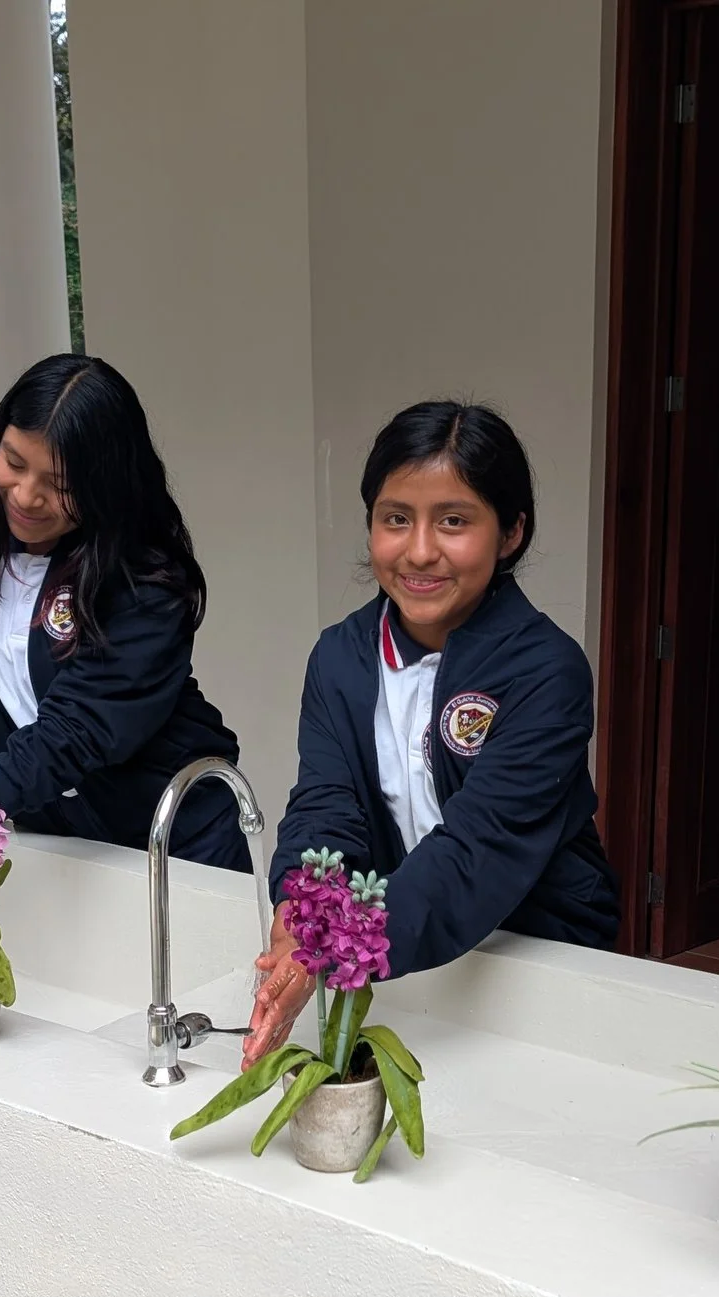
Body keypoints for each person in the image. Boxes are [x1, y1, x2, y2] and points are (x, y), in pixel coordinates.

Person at [241, 401, 620, 1064]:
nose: (419, 551)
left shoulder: (546, 671)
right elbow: (327, 805)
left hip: (537, 955)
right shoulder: (340, 656)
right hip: (407, 944)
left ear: (510, 533)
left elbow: (480, 850)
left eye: (453, 521)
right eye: (395, 519)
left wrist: (339, 940)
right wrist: (302, 907)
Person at [0, 353, 246, 910]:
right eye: (13, 461)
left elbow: (72, 732)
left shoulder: (145, 577)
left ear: (108, 485)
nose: (26, 495)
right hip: (47, 835)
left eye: (60, 484)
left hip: (167, 838)